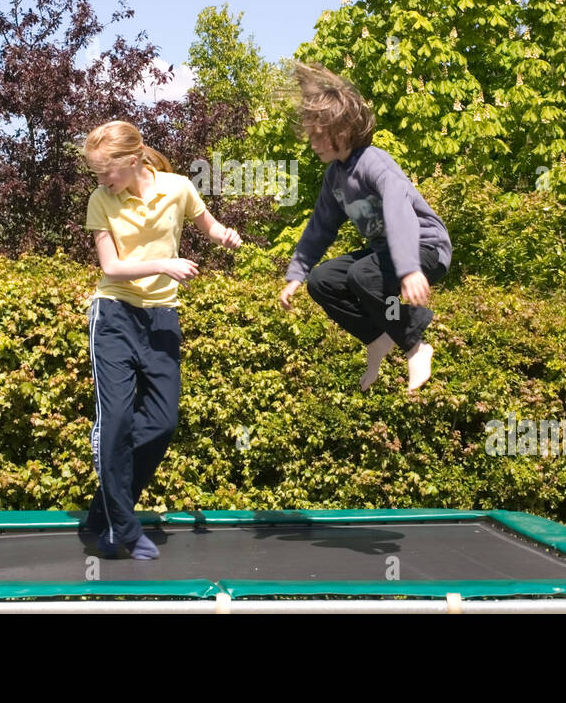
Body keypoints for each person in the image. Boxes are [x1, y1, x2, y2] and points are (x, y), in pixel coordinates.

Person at [82, 120, 241, 559]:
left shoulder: (177, 188)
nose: (100, 181)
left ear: (131, 162)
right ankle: (124, 530)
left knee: (162, 422)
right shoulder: (101, 200)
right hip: (113, 314)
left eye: (105, 172)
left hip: (161, 318)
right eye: (96, 173)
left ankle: (106, 509)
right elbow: (111, 267)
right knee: (115, 423)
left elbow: (207, 224)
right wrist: (164, 263)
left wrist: (224, 235)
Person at [279, 62, 452, 391]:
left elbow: (400, 210)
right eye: (310, 135)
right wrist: (297, 275)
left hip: (425, 249)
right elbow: (320, 227)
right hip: (388, 257)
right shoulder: (335, 178)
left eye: (319, 136)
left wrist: (408, 269)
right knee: (324, 281)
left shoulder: (375, 162)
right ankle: (378, 337)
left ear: (342, 132)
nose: (313, 143)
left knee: (365, 276)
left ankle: (416, 346)